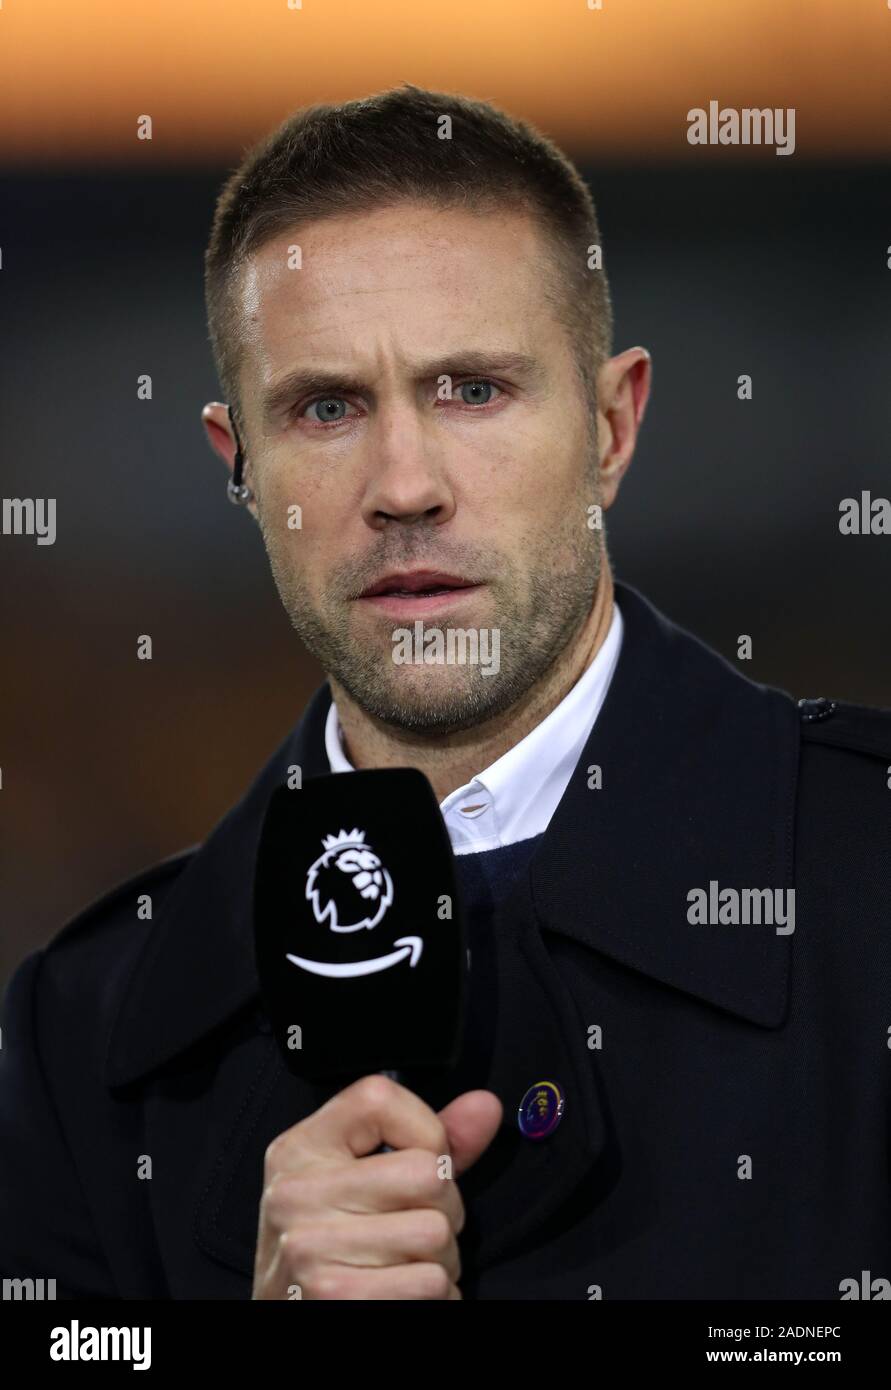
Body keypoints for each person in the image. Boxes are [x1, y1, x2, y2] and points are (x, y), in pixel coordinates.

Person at [1, 85, 888, 1302]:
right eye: (326, 408)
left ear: (614, 428)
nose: (403, 484)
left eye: (471, 389)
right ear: (242, 470)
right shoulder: (79, 1039)